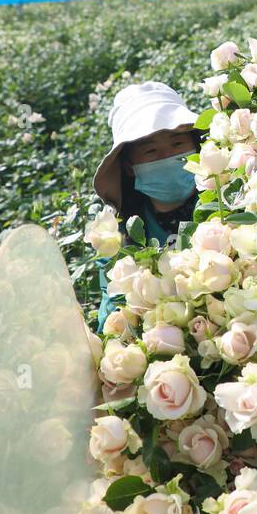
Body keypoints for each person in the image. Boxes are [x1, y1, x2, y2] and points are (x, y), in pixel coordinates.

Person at [91, 82, 200, 333]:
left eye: (177, 144)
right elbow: (114, 316)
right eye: (150, 150)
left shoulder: (226, 206)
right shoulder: (117, 239)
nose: (166, 156)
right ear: (129, 166)